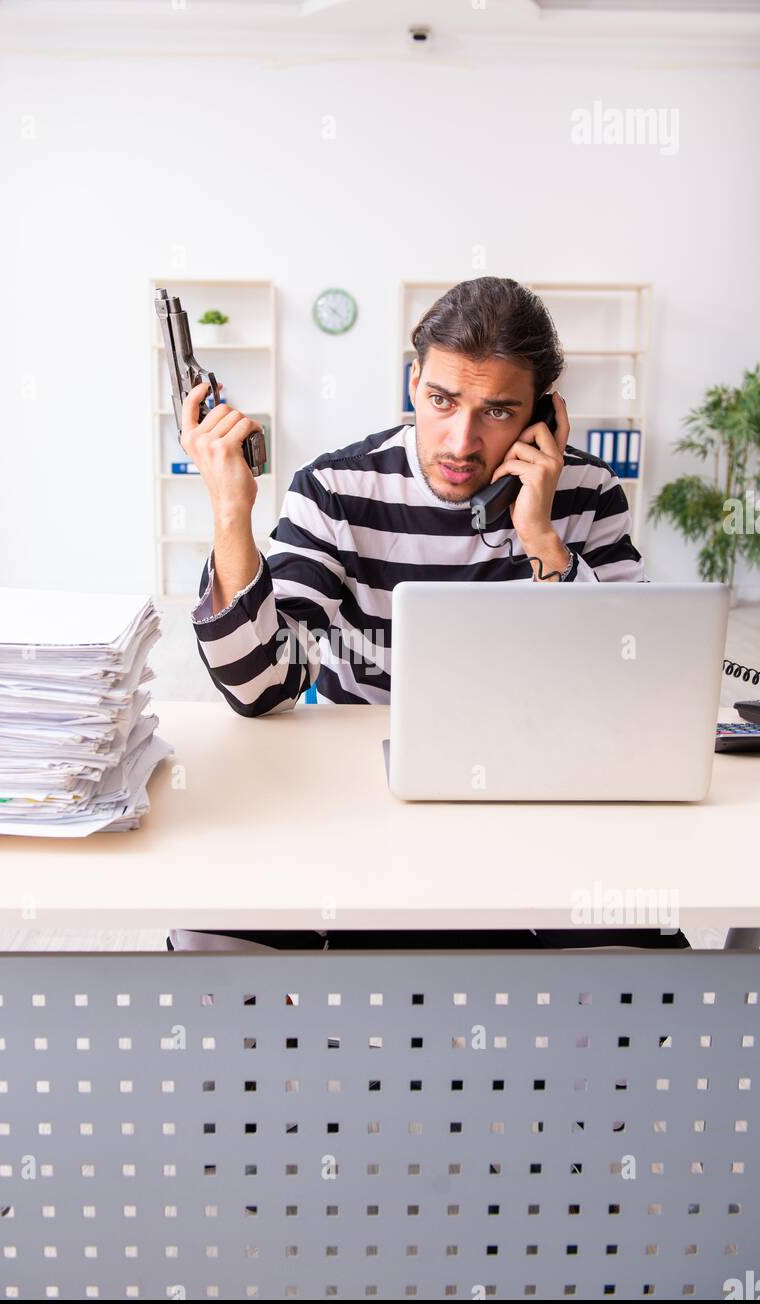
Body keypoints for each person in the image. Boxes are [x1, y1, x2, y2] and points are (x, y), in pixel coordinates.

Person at [168, 276, 688, 953]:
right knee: (209, 937)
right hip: (362, 795)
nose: (461, 442)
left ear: (544, 413)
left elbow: (629, 679)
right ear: (414, 383)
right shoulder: (335, 489)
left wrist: (541, 540)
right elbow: (259, 688)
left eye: (498, 411)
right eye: (442, 400)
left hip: (539, 792)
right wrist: (230, 513)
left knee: (642, 957)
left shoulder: (587, 492)